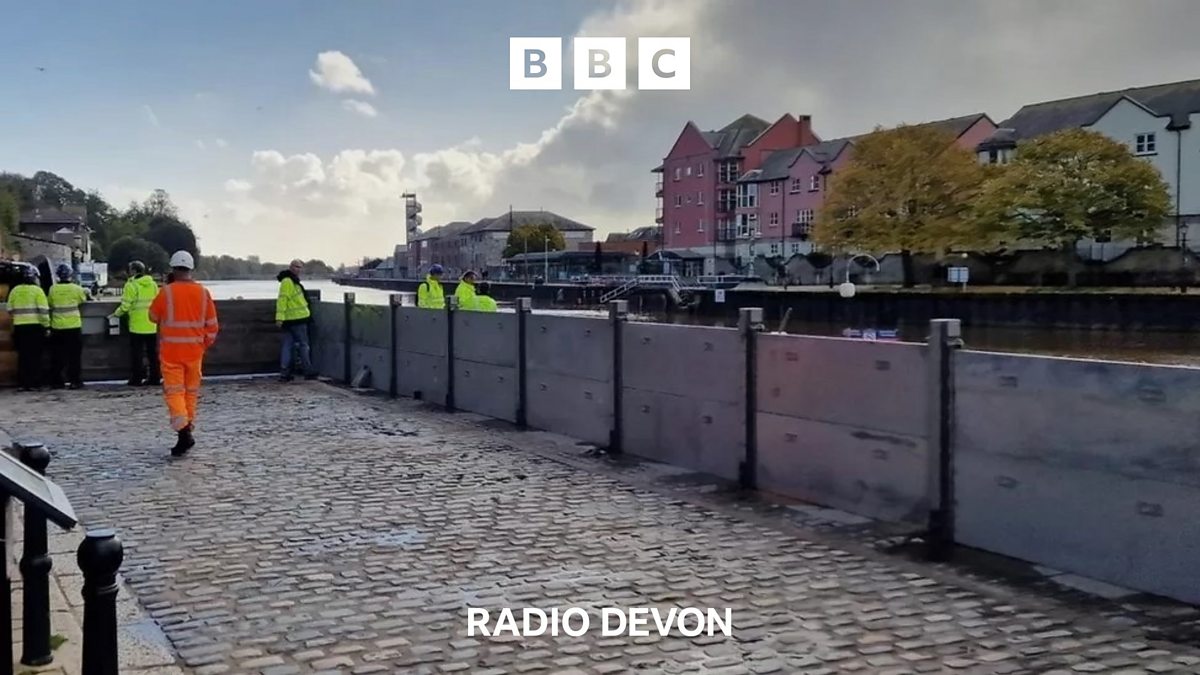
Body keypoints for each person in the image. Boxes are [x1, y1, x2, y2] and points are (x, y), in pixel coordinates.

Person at [148, 251, 218, 456]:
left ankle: (183, 431)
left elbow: (152, 316)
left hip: (171, 352)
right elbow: (212, 326)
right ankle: (187, 429)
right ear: (191, 269)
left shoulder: (166, 292)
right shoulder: (203, 293)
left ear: (173, 269)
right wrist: (202, 345)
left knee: (175, 392)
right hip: (194, 352)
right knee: (191, 393)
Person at [111, 260, 160, 386]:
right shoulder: (153, 284)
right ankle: (155, 377)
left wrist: (115, 314)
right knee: (152, 354)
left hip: (137, 325)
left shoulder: (131, 285)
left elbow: (125, 306)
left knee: (136, 354)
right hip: (151, 324)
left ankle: (136, 378)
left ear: (133, 271)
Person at [6, 266, 49, 392]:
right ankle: (34, 383)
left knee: (23, 357)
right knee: (35, 356)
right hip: (35, 328)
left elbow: (9, 309)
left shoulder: (15, 291)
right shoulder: (37, 291)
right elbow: (43, 311)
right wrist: (46, 326)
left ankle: (23, 383)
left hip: (19, 328)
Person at [47, 264, 88, 389]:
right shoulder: (76, 289)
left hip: (57, 327)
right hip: (73, 326)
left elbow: (50, 303)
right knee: (74, 357)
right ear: (70, 275)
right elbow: (83, 300)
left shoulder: (53, 289)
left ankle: (57, 382)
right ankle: (75, 381)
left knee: (57, 356)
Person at [276, 259, 316, 381]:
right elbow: (282, 300)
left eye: (300, 267)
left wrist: (281, 319)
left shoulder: (289, 281)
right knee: (304, 345)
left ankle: (285, 373)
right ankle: (308, 371)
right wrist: (279, 318)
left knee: (287, 346)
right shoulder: (288, 281)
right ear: (291, 267)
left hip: (289, 320)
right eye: (297, 267)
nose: (299, 269)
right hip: (298, 319)